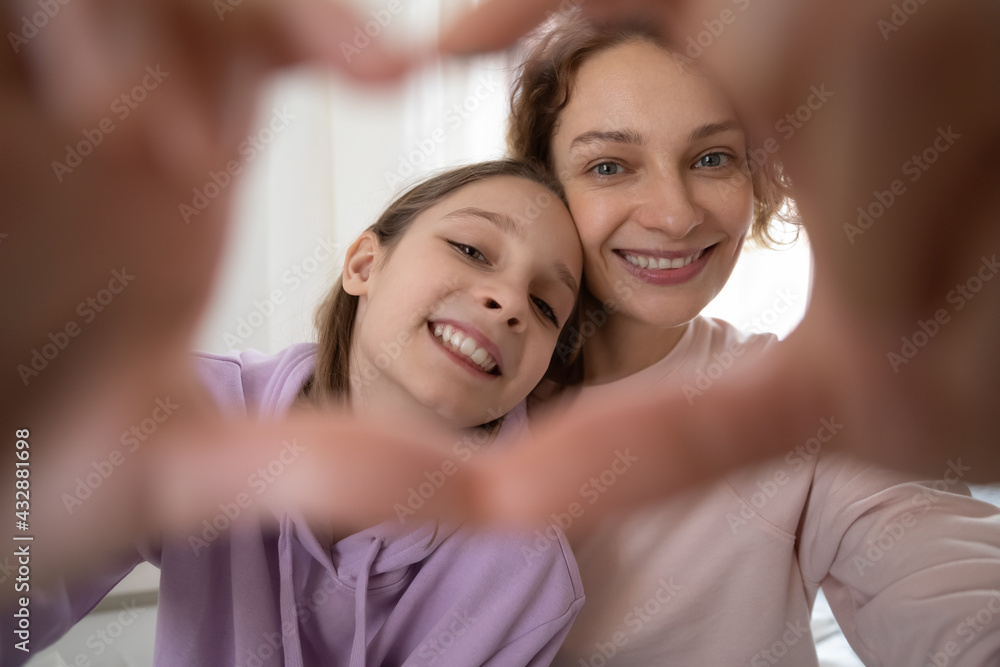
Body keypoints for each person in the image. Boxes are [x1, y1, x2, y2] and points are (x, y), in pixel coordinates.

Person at [487, 14, 997, 665]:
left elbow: (961, 608)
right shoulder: (458, 379)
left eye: (713, 158)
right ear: (541, 184)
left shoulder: (812, 411)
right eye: (611, 165)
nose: (674, 213)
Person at [7, 160, 586, 666]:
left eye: (543, 306)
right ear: (364, 265)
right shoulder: (198, 411)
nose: (510, 301)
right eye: (471, 250)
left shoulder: (527, 577)